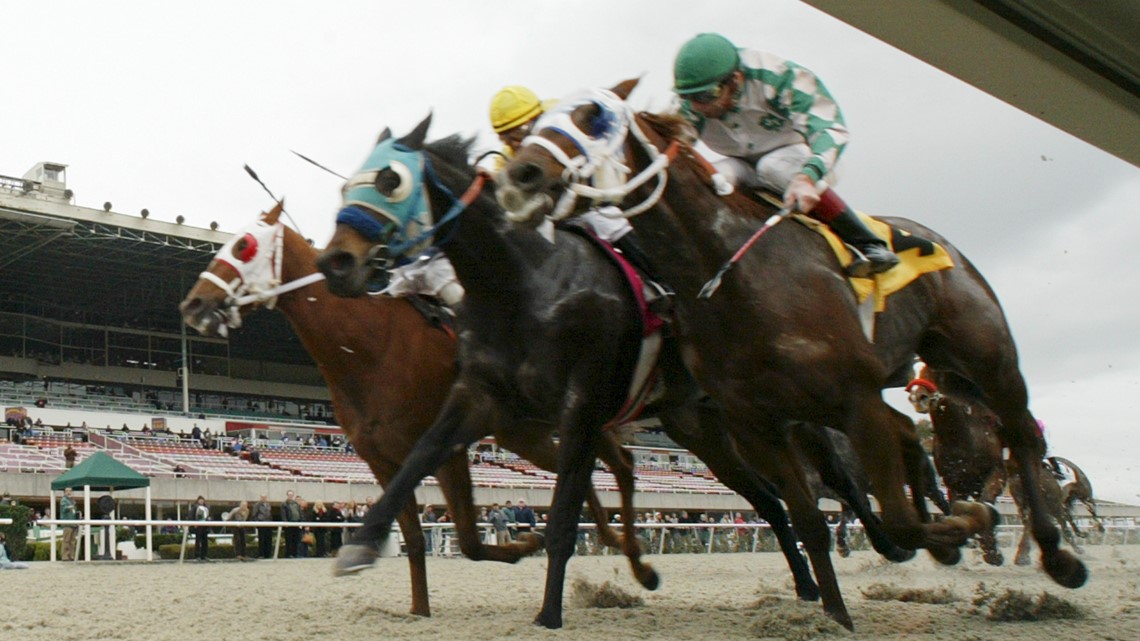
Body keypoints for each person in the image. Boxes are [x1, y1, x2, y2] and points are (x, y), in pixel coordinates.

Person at [672, 33, 899, 277]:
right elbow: (673, 151)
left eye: (707, 96)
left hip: (797, 158)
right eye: (688, 97)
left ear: (736, 79)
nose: (697, 106)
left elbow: (831, 129)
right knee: (712, 177)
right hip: (740, 163)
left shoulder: (776, 76)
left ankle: (869, 244)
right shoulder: (691, 105)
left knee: (772, 167)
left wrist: (807, 177)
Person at [489, 85, 668, 290]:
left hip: (583, 193)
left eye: (519, 131)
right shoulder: (506, 156)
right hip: (550, 209)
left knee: (605, 220)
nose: (514, 143)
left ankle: (657, 279)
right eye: (506, 137)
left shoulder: (560, 119)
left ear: (537, 117)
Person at [251, 494, 274, 559]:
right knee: (262, 539)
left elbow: (270, 514)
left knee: (268, 539)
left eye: (265, 497)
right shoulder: (257, 505)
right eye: (262, 497)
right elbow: (254, 514)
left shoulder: (268, 505)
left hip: (268, 524)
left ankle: (268, 554)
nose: (264, 498)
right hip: (261, 524)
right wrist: (257, 523)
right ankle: (261, 554)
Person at [59, 488, 79, 561]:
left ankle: (71, 555)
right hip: (67, 523)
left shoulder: (72, 501)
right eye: (67, 491)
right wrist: (69, 507)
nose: (69, 492)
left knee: (72, 541)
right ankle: (65, 556)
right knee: (66, 540)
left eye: (70, 491)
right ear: (64, 492)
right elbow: (64, 508)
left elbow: (74, 511)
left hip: (73, 523)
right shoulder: (64, 500)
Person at [281, 490, 302, 558]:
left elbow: (299, 513)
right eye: (289, 495)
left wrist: (300, 522)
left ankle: (295, 553)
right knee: (289, 539)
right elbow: (283, 514)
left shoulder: (296, 504)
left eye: (291, 495)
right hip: (289, 524)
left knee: (296, 539)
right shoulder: (284, 504)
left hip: (296, 523)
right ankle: (289, 554)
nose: (290, 496)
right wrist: (285, 522)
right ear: (287, 495)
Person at [192, 496, 211, 562]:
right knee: (198, 541)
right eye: (200, 500)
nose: (201, 501)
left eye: (202, 500)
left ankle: (204, 555)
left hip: (205, 527)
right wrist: (194, 524)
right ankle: (197, 556)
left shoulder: (206, 508)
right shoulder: (195, 507)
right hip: (198, 526)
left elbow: (208, 516)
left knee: (205, 541)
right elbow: (192, 516)